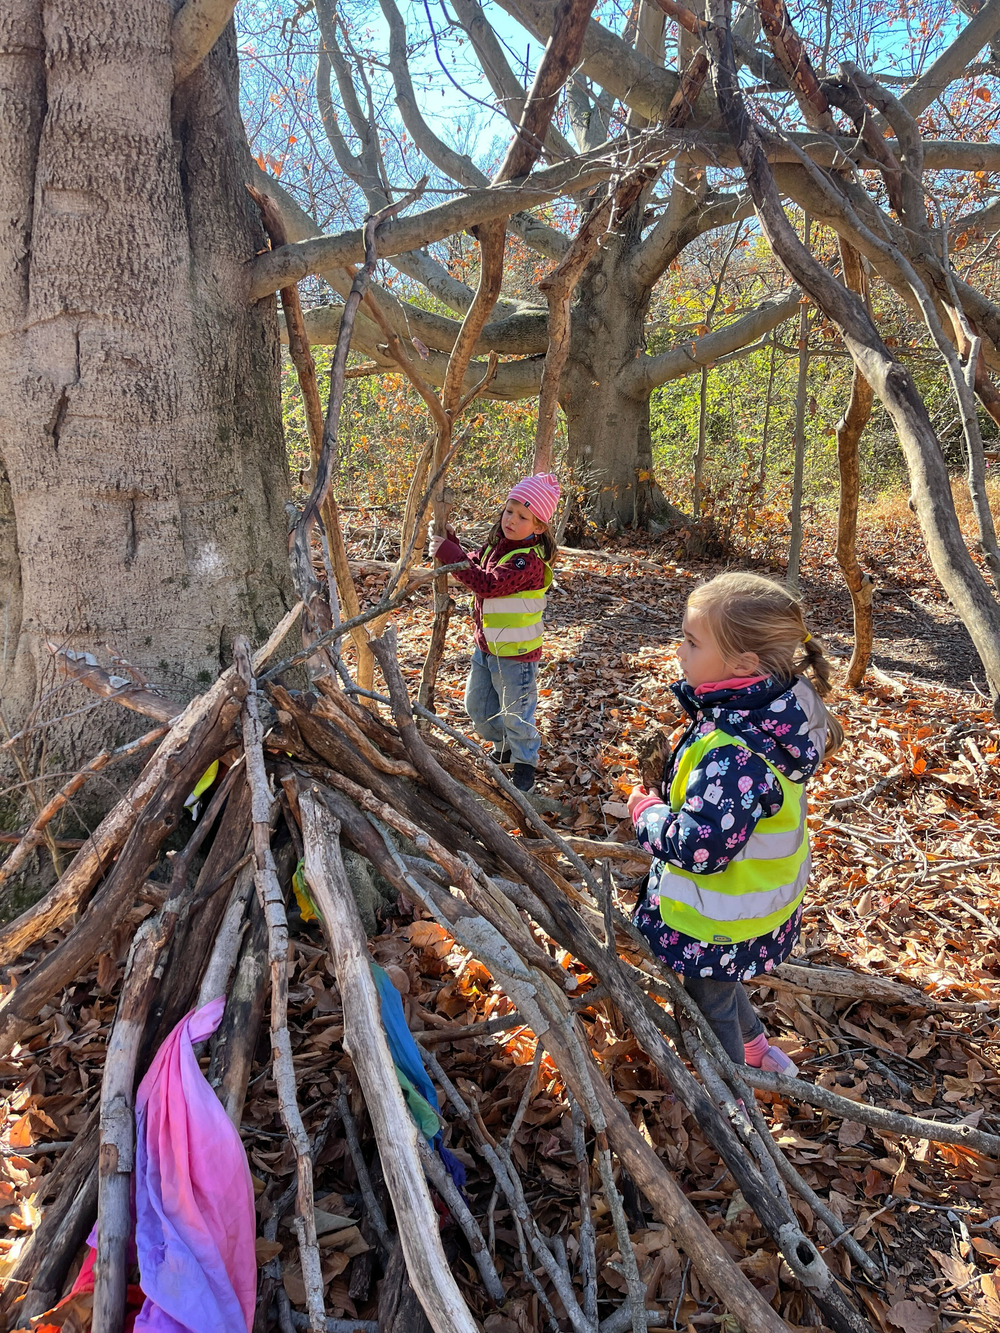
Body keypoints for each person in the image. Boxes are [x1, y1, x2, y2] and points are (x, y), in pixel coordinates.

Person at [626, 571, 844, 1073]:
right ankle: (758, 1053)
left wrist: (647, 814)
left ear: (743, 663)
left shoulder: (736, 749)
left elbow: (699, 847)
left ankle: (730, 1095)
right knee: (721, 986)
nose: (679, 651)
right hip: (756, 904)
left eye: (691, 641)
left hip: (716, 916)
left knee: (709, 1000)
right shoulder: (774, 709)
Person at [429, 473, 560, 793]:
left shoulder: (526, 561)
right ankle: (503, 748)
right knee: (478, 707)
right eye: (509, 511)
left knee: (517, 715)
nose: (511, 519)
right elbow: (474, 565)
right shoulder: (497, 546)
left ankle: (525, 764)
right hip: (487, 648)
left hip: (517, 655)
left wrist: (450, 554)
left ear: (538, 527)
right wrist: (454, 545)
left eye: (522, 517)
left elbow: (488, 584)